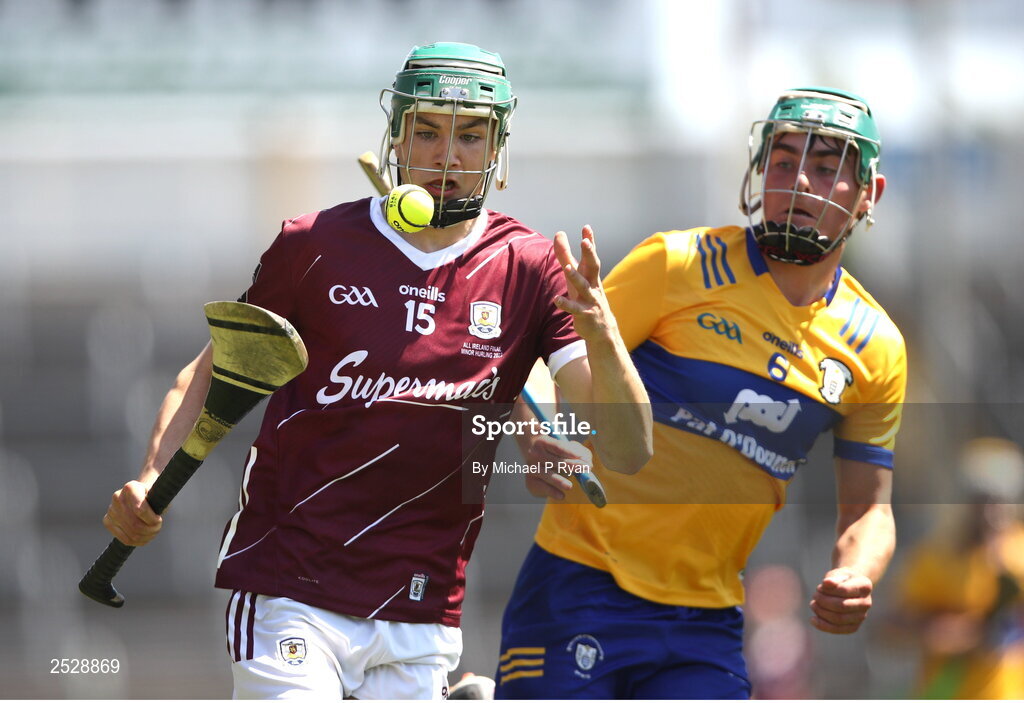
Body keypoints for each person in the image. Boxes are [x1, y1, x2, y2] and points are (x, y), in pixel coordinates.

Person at [101, 42, 652, 700]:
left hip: (420, 612)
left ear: (498, 148)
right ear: (395, 137)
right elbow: (205, 375)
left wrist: (603, 333)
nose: (449, 156)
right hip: (290, 588)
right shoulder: (314, 245)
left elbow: (627, 446)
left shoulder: (532, 270)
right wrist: (150, 476)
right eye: (428, 131)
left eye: (471, 136)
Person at [496, 87, 907, 699]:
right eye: (785, 161)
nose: (798, 182)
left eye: (824, 169)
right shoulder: (677, 265)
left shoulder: (876, 347)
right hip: (579, 586)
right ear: (759, 171)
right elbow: (539, 356)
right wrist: (540, 431)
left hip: (705, 622)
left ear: (868, 196)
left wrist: (856, 570)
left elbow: (869, 509)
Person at [894, 437, 1024, 699]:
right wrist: (949, 633)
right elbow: (895, 626)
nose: (990, 511)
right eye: (982, 499)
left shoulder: (1019, 552)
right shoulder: (936, 556)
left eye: (998, 500)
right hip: (949, 691)